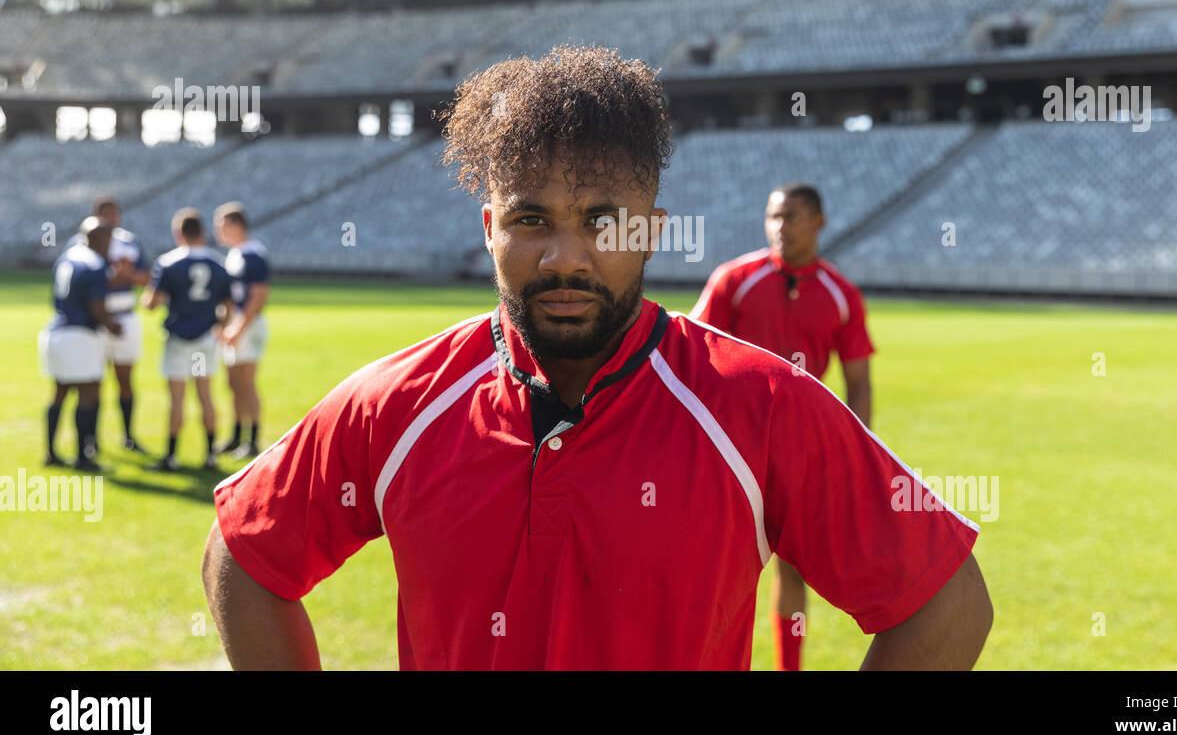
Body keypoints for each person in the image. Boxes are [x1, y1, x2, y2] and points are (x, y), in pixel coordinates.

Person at [202, 44, 991, 670]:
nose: (565, 258)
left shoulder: (763, 407)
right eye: (532, 218)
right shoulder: (399, 403)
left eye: (603, 220)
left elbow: (946, 606)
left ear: (650, 229)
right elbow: (243, 556)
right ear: (489, 228)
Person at [691, 182, 874, 670]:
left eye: (791, 217)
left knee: (794, 572)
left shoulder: (841, 295)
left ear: (819, 222)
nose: (779, 227)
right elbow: (689, 359)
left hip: (797, 452)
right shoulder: (734, 279)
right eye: (773, 216)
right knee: (716, 577)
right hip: (727, 450)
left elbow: (859, 381)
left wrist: (853, 455)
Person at [143, 208, 234, 472]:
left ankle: (171, 455)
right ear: (202, 232)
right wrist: (221, 326)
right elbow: (229, 306)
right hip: (204, 338)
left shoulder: (168, 262)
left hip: (178, 339)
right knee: (205, 395)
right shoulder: (218, 262)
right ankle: (210, 454)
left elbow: (152, 302)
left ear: (178, 234)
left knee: (177, 399)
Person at [39, 217, 121, 471]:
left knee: (59, 392)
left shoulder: (67, 257)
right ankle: (83, 456)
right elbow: (96, 307)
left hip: (55, 332)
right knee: (88, 394)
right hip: (80, 335)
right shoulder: (95, 265)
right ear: (98, 239)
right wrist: (113, 326)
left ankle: (51, 453)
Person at [84, 196, 151, 455]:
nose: (111, 219)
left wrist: (128, 275)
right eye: (105, 214)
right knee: (93, 380)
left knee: (125, 378)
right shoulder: (86, 240)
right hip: (97, 317)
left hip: (124, 315)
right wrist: (113, 278)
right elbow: (87, 282)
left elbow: (146, 277)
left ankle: (128, 434)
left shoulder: (129, 241)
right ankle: (92, 438)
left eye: (114, 213)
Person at [212, 202, 271, 460]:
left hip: (248, 324)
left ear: (235, 224)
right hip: (235, 322)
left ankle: (253, 439)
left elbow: (258, 296)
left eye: (221, 224)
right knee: (233, 382)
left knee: (246, 384)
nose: (218, 230)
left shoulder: (253, 253)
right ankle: (236, 435)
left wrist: (237, 328)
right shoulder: (234, 253)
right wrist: (224, 325)